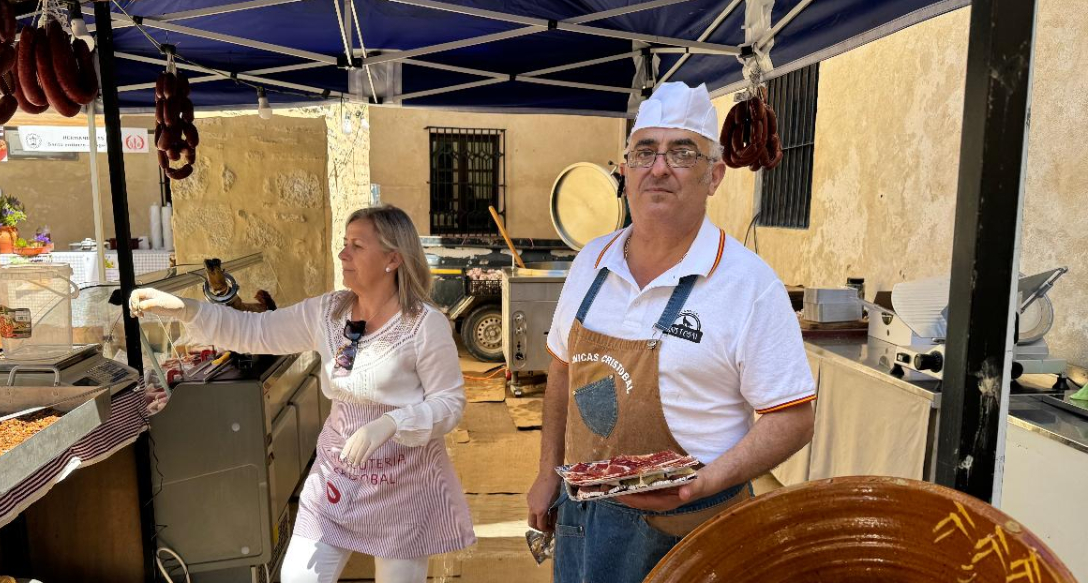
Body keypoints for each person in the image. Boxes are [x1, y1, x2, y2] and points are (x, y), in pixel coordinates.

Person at [526, 82, 816, 583]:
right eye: (645, 152)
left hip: (690, 527)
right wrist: (548, 471)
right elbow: (561, 366)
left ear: (714, 175)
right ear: (625, 170)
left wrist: (705, 484)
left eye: (682, 152)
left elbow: (792, 418)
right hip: (582, 517)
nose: (659, 167)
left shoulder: (749, 285)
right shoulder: (589, 262)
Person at [130, 206, 474, 583]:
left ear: (393, 258)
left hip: (403, 486)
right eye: (345, 244)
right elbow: (256, 331)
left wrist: (392, 423)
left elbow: (449, 403)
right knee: (299, 577)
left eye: (357, 245)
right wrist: (187, 310)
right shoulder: (328, 311)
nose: (343, 254)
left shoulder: (425, 325)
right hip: (336, 476)